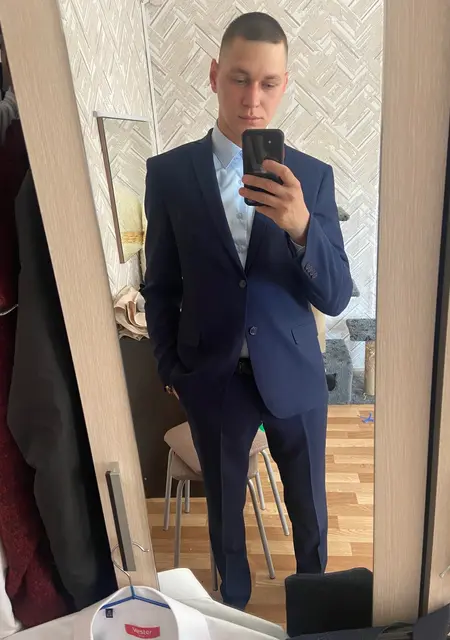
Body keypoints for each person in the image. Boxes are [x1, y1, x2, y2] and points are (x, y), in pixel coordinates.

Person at [143, 12, 353, 610]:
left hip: (295, 372)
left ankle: (315, 610)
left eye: (268, 83)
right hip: (213, 380)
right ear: (215, 75)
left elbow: (336, 296)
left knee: (310, 512)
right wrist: (170, 367)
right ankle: (231, 609)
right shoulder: (169, 175)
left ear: (285, 85)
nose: (252, 99)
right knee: (224, 520)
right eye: (239, 79)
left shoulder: (311, 178)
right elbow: (161, 284)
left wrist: (302, 228)